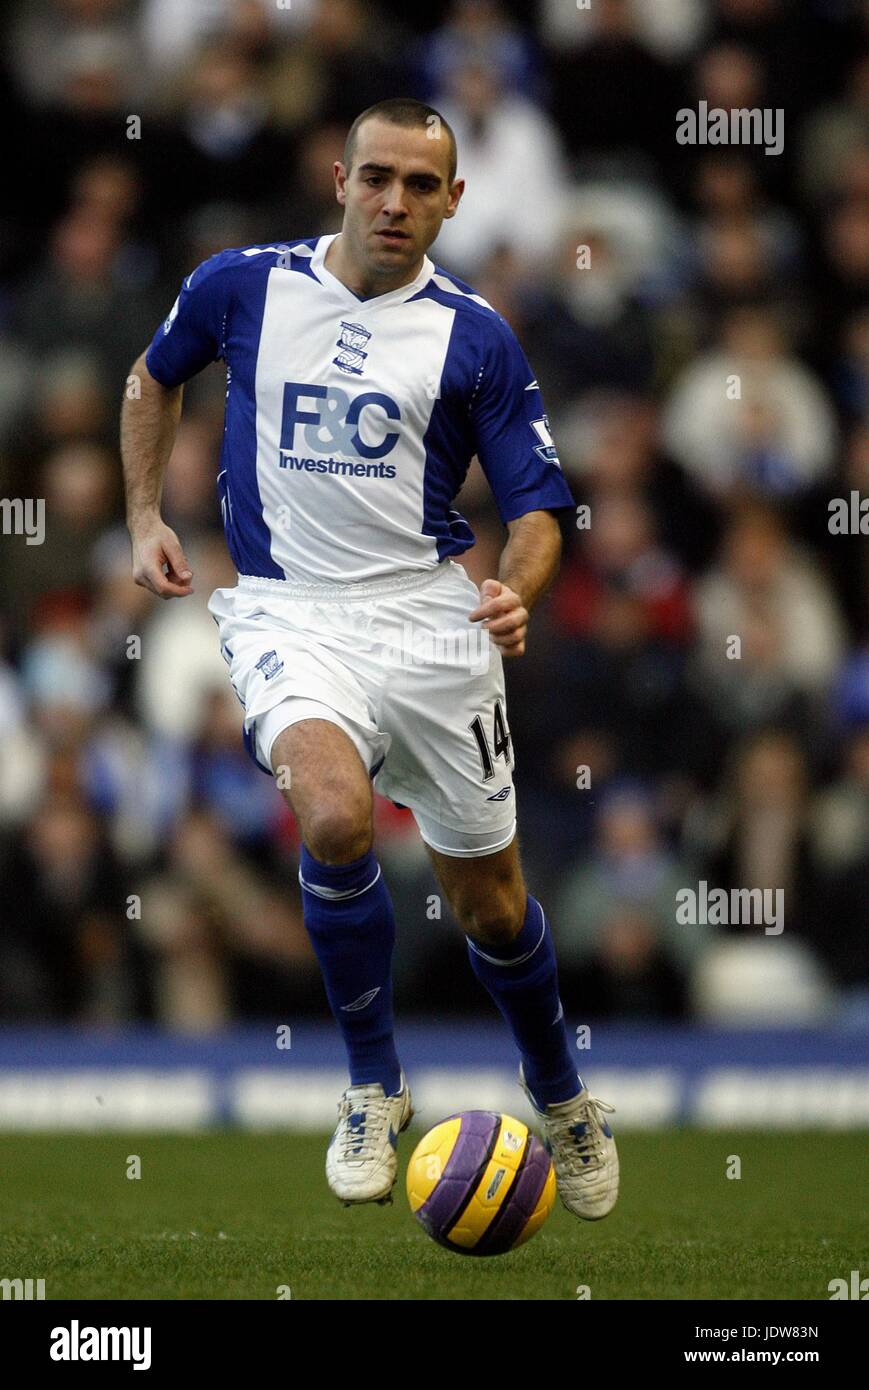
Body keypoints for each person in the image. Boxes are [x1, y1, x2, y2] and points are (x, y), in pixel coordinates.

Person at [120, 96, 618, 1222]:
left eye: (421, 184)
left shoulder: (475, 335)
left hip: (431, 626)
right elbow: (154, 377)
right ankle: (371, 1085)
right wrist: (144, 512)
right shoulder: (238, 283)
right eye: (376, 176)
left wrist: (514, 591)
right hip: (291, 613)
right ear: (336, 177)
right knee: (335, 815)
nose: (394, 201)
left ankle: (562, 1095)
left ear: (453, 199)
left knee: (492, 906)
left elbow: (539, 505)